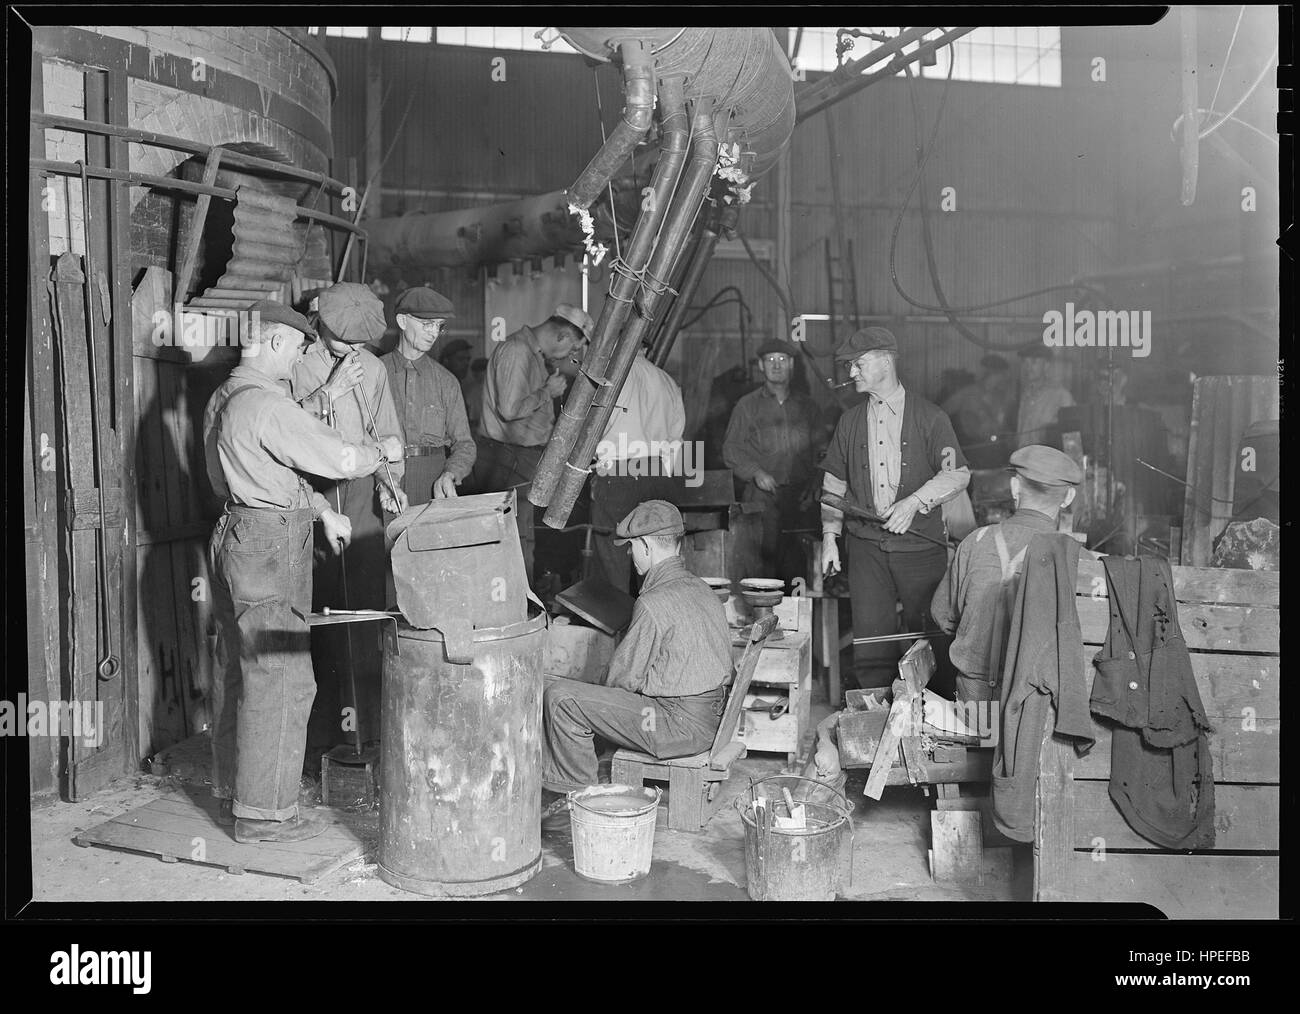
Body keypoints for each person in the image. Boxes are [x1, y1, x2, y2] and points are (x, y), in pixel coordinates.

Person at [204, 300, 403, 843]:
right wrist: (378, 451)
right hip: (270, 544)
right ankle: (264, 816)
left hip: (237, 533)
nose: (299, 360)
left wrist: (322, 511)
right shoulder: (267, 405)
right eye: (296, 349)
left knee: (240, 668)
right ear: (272, 342)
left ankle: (234, 792)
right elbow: (335, 459)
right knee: (284, 674)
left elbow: (272, 465)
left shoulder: (228, 395)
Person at [539, 501, 733, 829]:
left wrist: (592, 689)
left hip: (677, 725)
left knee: (561, 698)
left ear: (644, 545)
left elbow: (621, 681)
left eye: (631, 547)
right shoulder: (700, 588)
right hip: (710, 716)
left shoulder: (653, 602)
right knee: (583, 697)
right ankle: (584, 779)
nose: (630, 555)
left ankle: (578, 801)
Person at [819, 326, 971, 692]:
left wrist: (915, 502)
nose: (851, 373)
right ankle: (871, 718)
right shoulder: (849, 422)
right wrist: (829, 538)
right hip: (866, 548)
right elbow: (833, 486)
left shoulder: (931, 417)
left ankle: (937, 718)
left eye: (858, 364)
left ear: (885, 362)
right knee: (872, 640)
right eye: (850, 366)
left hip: (920, 547)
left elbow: (959, 475)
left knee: (932, 634)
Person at [288, 282, 406, 749]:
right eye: (345, 341)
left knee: (367, 611)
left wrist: (390, 485)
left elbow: (389, 436)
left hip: (360, 496)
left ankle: (370, 734)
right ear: (320, 322)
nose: (354, 350)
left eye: (361, 343)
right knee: (321, 614)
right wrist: (329, 392)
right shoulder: (297, 363)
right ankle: (322, 738)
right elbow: (286, 430)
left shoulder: (374, 368)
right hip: (313, 495)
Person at [929, 445, 1083, 704]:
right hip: (1035, 709)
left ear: (1014, 487)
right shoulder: (1075, 558)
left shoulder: (974, 541)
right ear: (1068, 497)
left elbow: (942, 615)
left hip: (973, 703)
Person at [476, 303, 593, 583]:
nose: (570, 355)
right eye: (572, 348)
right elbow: (509, 409)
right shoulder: (517, 352)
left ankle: (522, 603)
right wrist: (547, 392)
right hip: (507, 461)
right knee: (512, 540)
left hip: (519, 460)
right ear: (562, 336)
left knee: (522, 537)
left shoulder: (532, 355)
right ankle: (515, 607)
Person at [722, 338, 826, 584]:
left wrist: (817, 482)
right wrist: (756, 472)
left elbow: (823, 452)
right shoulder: (747, 406)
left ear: (791, 365)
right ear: (761, 365)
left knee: (799, 567)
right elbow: (731, 449)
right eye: (770, 360)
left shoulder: (808, 407)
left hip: (799, 501)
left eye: (782, 360)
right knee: (760, 567)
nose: (776, 365)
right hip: (761, 499)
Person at [589, 345, 687, 592]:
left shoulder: (610, 377)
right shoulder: (666, 380)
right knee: (656, 553)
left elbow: (591, 431)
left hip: (617, 475)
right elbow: (677, 436)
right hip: (658, 473)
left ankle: (620, 624)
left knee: (616, 555)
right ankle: (655, 615)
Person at [380, 285, 476, 506]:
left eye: (439, 326)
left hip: (431, 481)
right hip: (382, 476)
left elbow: (465, 444)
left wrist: (451, 473)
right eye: (427, 324)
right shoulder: (375, 371)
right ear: (403, 322)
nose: (434, 333)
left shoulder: (446, 381)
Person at [942, 354, 1015, 469]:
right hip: (972, 449)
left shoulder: (1001, 398)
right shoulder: (967, 393)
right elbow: (941, 413)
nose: (1002, 380)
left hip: (995, 451)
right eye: (999, 375)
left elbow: (1003, 425)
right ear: (990, 374)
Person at [1015, 343, 1074, 449]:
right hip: (1024, 459)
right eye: (1025, 362)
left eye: (1034, 362)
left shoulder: (1061, 395)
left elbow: (1072, 436)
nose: (1028, 368)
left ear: (1046, 365)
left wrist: (1074, 461)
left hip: (1048, 460)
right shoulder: (1026, 395)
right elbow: (1021, 433)